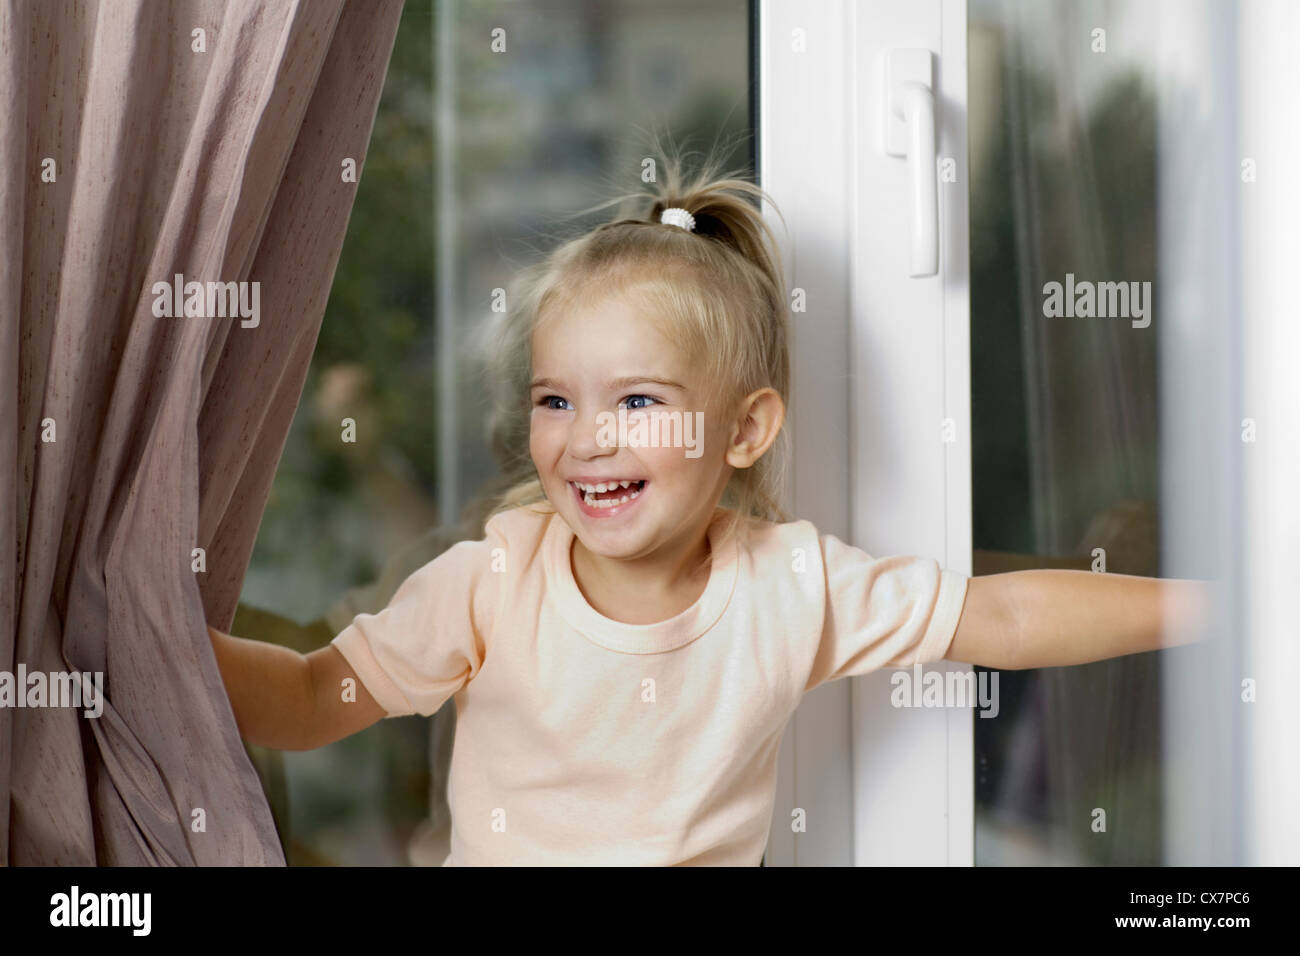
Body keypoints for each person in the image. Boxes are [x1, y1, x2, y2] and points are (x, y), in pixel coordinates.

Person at [207, 150, 1212, 866]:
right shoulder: (490, 579)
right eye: (556, 399)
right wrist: (133, 641)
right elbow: (305, 698)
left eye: (636, 400)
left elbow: (1002, 616)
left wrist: (1218, 607)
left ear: (743, 430)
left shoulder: (787, 583)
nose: (586, 435)